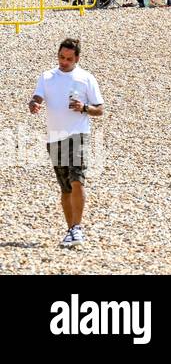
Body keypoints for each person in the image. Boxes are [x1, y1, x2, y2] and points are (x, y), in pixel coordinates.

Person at [29, 39, 104, 247]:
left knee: (77, 179)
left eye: (69, 59)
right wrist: (33, 104)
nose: (64, 61)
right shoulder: (47, 76)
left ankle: (78, 228)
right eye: (61, 57)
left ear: (77, 58)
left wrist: (84, 107)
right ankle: (70, 230)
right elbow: (37, 97)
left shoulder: (86, 78)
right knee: (65, 188)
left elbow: (100, 109)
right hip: (55, 137)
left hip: (79, 134)